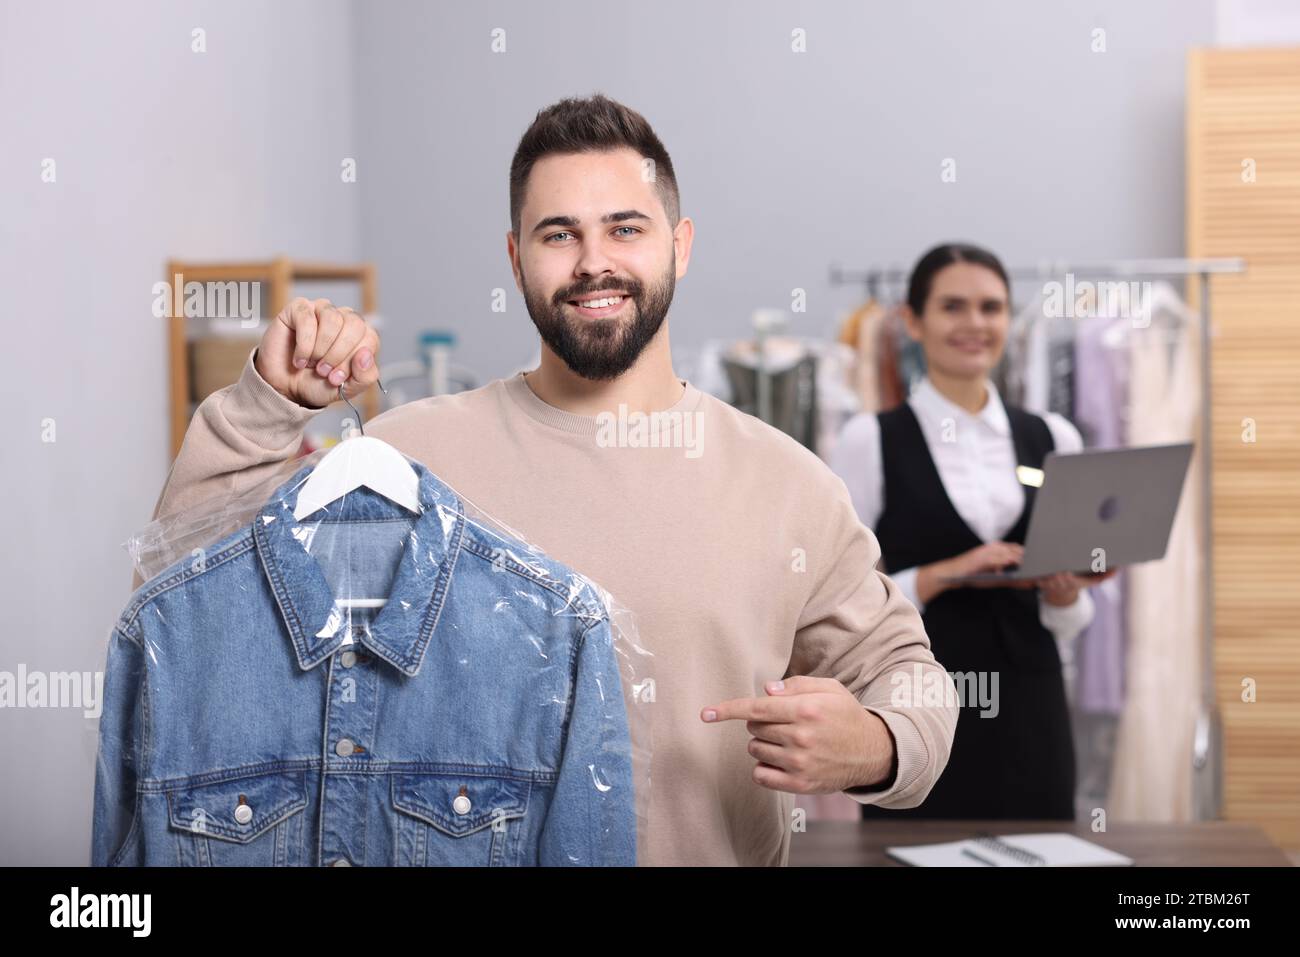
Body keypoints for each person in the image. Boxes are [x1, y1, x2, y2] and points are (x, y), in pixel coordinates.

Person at [139, 94, 958, 865]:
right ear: (515, 256)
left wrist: (877, 744)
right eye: (559, 234)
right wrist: (265, 403)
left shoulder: (789, 487)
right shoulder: (406, 461)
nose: (593, 264)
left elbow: (910, 675)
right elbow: (181, 594)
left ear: (679, 243)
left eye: (626, 228)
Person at [830, 243, 1116, 820]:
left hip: (1032, 704)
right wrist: (937, 577)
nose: (975, 324)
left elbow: (1073, 619)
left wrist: (1064, 598)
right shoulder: (870, 439)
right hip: (916, 705)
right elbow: (842, 598)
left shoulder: (1055, 437)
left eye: (991, 308)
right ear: (913, 321)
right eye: (953, 307)